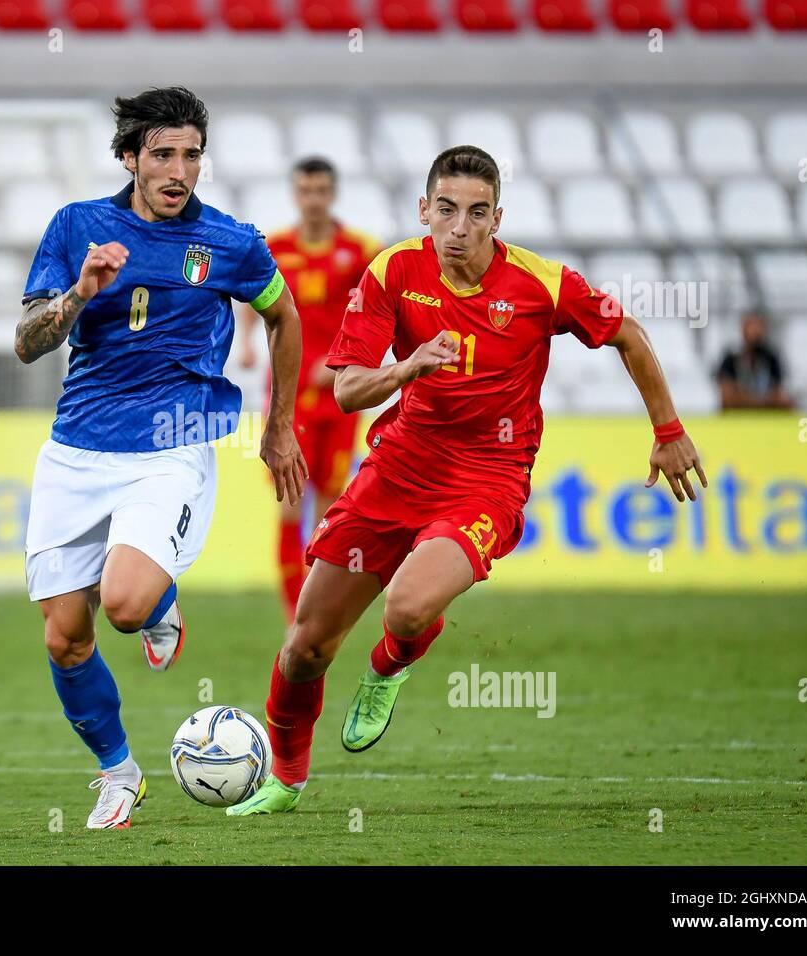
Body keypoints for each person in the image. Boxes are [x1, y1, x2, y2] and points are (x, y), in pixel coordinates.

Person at [227, 145, 707, 816]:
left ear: (496, 218)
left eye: (477, 214)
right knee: (304, 647)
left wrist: (667, 430)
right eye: (447, 210)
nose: (460, 227)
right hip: (399, 466)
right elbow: (347, 388)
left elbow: (626, 332)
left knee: (407, 605)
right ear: (425, 210)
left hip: (489, 478)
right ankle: (285, 779)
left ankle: (389, 665)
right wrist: (408, 368)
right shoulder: (394, 270)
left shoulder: (540, 284)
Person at [16, 86, 306, 829]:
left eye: (192, 155)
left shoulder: (232, 243)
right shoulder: (78, 226)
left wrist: (279, 427)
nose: (180, 171)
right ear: (129, 158)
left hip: (170, 447)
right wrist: (78, 294)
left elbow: (284, 316)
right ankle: (119, 775)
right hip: (75, 449)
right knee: (63, 635)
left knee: (122, 605)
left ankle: (159, 604)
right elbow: (27, 343)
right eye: (164, 155)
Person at [240, 156, 380, 621]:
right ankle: (293, 617)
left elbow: (374, 313)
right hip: (287, 395)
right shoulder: (275, 247)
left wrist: (345, 359)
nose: (313, 200)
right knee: (290, 502)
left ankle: (317, 611)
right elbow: (251, 296)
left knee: (329, 509)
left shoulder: (359, 251)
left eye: (321, 191)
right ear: (295, 194)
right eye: (305, 191)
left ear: (333, 194)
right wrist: (244, 343)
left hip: (339, 396)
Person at [715, 311, 792, 410]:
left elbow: (780, 398)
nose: (756, 332)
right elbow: (727, 399)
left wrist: (744, 399)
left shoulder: (771, 359)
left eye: (759, 328)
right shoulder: (731, 360)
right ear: (743, 331)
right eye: (752, 328)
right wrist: (764, 401)